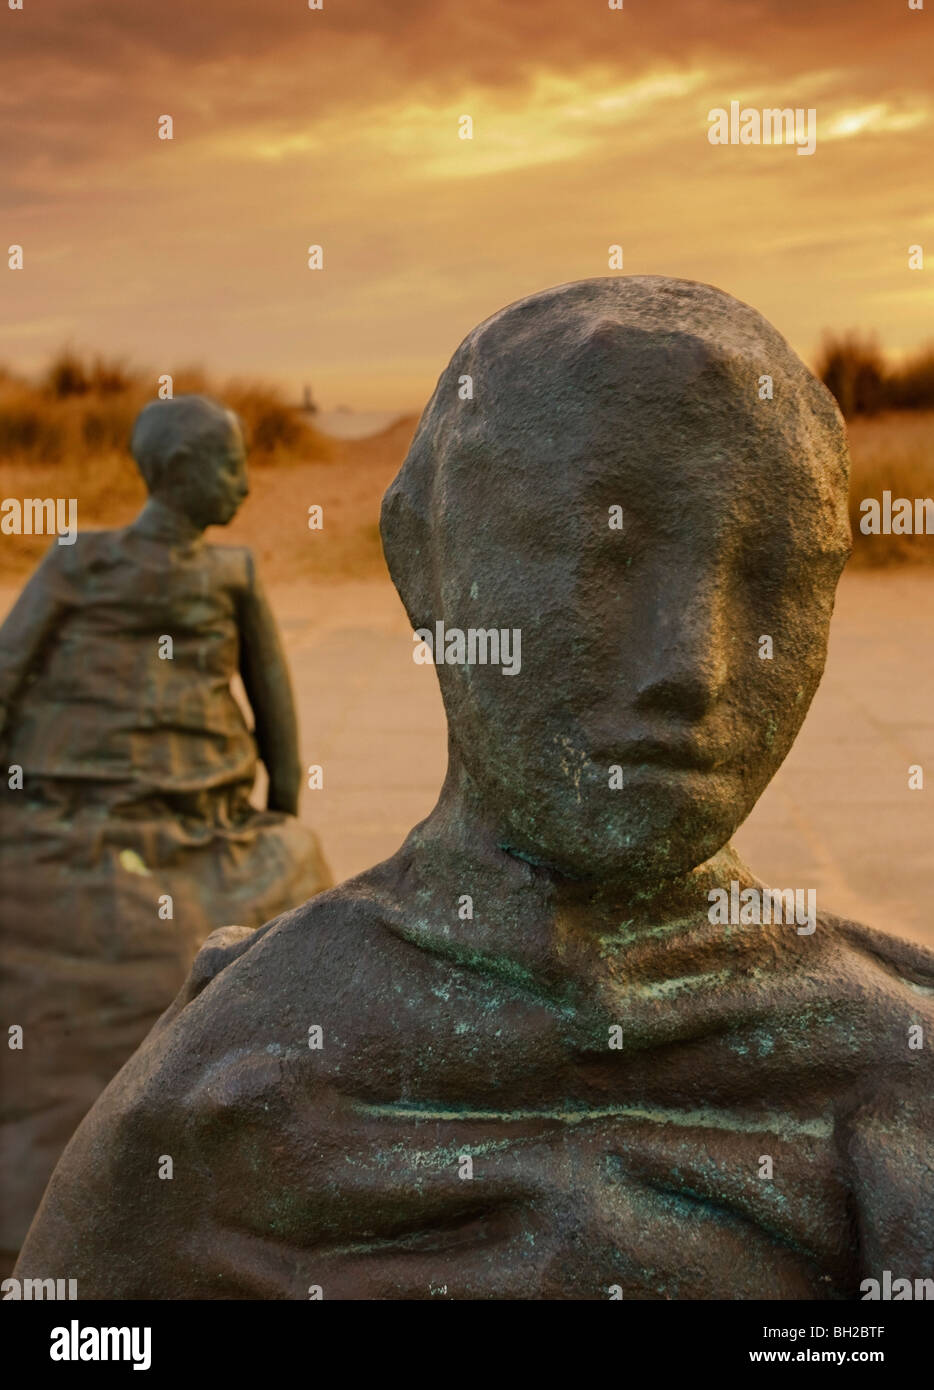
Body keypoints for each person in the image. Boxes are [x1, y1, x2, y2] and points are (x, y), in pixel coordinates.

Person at [14, 281, 933, 1299]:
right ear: (423, 560)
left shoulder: (895, 1067)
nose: (694, 662)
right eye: (604, 556)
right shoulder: (219, 1089)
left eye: (778, 572)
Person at [0, 395, 329, 1271]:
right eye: (230, 467)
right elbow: (276, 714)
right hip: (158, 805)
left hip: (124, 803)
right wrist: (286, 807)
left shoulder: (100, 561)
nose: (248, 483)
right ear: (181, 474)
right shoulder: (206, 570)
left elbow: (9, 672)